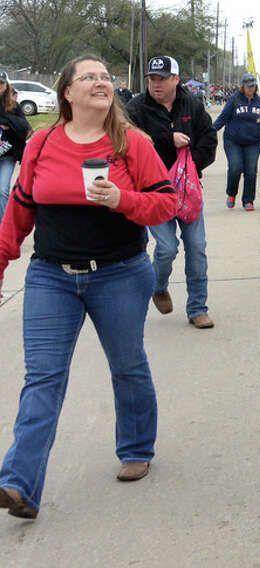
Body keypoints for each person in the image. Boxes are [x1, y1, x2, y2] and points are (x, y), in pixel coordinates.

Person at [0, 55, 177, 519]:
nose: (101, 82)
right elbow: (18, 212)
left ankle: (136, 447)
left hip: (119, 273)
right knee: (42, 377)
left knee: (127, 365)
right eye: (89, 77)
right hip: (51, 277)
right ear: (67, 93)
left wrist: (124, 200)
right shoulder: (41, 143)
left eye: (105, 77)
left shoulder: (132, 143)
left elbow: (166, 204)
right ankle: (18, 482)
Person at [125, 55, 218, 329]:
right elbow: (128, 141)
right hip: (154, 193)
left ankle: (198, 308)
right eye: (152, 79)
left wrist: (190, 167)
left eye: (162, 78)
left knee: (197, 249)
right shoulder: (135, 108)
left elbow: (209, 139)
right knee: (166, 248)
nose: (156, 84)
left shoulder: (192, 104)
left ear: (176, 79)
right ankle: (159, 285)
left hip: (188, 192)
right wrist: (168, 138)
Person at [213, 73, 260, 211]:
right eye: (247, 86)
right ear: (243, 86)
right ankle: (232, 193)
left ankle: (248, 200)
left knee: (251, 170)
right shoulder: (234, 99)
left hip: (253, 141)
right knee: (235, 168)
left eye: (252, 86)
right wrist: (210, 131)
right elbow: (223, 118)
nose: (250, 89)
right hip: (233, 140)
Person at [0, 72, 32, 220]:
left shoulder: (13, 106)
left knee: (2, 190)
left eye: (1, 83)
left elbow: (26, 129)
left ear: (6, 86)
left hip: (8, 154)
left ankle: (3, 226)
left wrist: (7, 123)